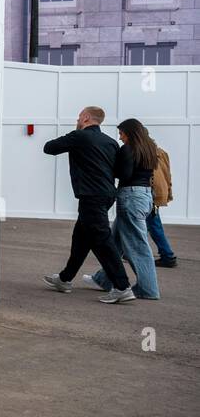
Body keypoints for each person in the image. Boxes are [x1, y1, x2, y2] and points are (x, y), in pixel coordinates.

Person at [40, 106, 134, 302]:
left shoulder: (79, 136)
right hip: (107, 195)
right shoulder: (110, 142)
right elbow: (117, 171)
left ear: (85, 118)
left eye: (79, 117)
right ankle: (64, 279)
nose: (77, 120)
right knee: (81, 239)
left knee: (102, 241)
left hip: (91, 197)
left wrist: (75, 136)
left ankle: (122, 287)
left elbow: (49, 148)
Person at [85, 119, 161, 301]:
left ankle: (148, 289)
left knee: (137, 246)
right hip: (143, 195)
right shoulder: (149, 147)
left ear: (130, 132)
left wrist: (111, 165)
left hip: (130, 196)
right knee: (115, 241)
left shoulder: (129, 148)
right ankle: (103, 279)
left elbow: (124, 174)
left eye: (121, 133)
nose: (120, 137)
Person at [148, 141, 177, 269]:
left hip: (150, 193)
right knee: (153, 224)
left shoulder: (145, 152)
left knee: (153, 225)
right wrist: (168, 191)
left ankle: (167, 256)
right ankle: (167, 255)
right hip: (158, 191)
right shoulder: (161, 152)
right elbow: (167, 173)